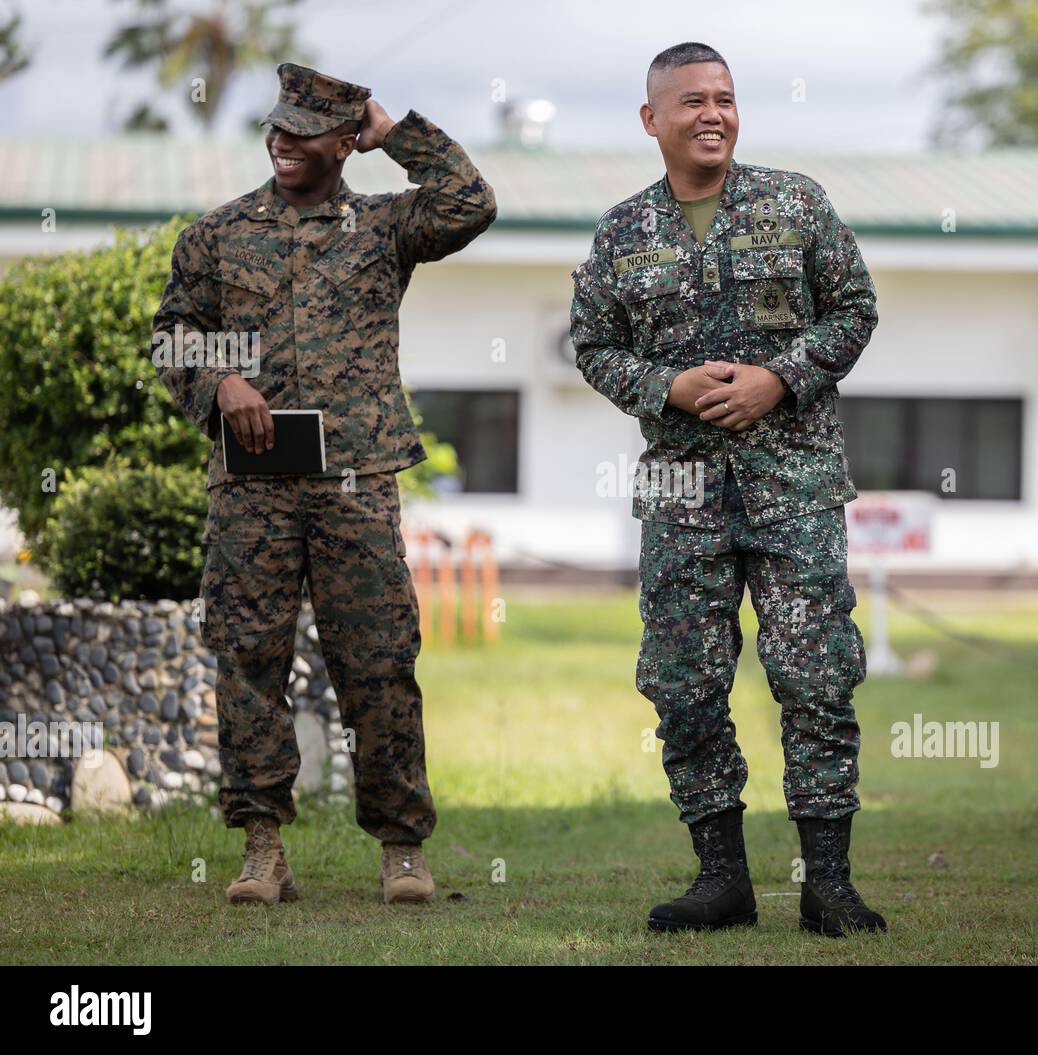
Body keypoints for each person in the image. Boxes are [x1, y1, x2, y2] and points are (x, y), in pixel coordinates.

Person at [152, 63, 496, 905]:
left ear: (345, 142)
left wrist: (396, 134)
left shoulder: (383, 227)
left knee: (378, 659)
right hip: (253, 487)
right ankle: (263, 847)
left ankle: (402, 846)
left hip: (356, 479)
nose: (281, 140)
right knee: (248, 658)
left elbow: (472, 201)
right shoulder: (219, 235)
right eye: (276, 126)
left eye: (305, 130)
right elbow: (172, 337)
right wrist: (218, 384)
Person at [570, 42, 886, 937]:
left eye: (726, 99)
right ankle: (722, 880)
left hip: (794, 488)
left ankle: (829, 883)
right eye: (693, 101)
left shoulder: (795, 203)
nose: (713, 114)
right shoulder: (621, 232)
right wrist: (661, 386)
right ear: (652, 120)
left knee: (816, 677)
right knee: (684, 683)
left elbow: (855, 307)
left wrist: (779, 379)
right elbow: (592, 346)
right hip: (681, 494)